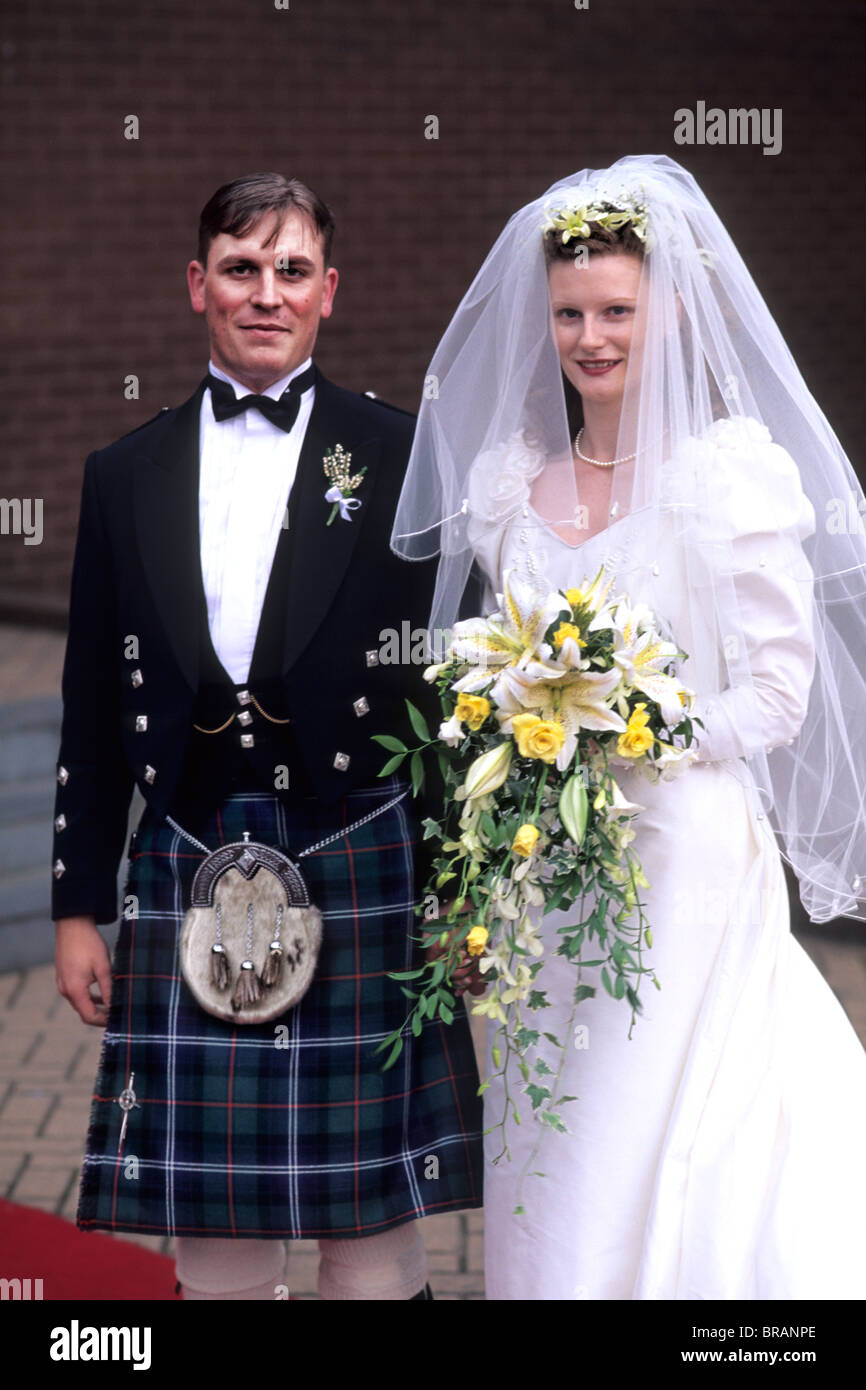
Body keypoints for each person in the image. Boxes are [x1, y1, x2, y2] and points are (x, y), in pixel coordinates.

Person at [391, 154, 866, 1299]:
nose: (589, 337)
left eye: (615, 310)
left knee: (662, 1112)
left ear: (669, 314)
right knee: (552, 1112)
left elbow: (774, 697)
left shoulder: (726, 482)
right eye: (567, 313)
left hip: (682, 861)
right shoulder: (512, 489)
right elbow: (492, 684)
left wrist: (624, 727)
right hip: (542, 868)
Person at [51, 172, 483, 1301]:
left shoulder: (400, 457)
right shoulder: (122, 473)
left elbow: (446, 703)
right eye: (240, 268)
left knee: (372, 1231)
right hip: (189, 851)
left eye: (290, 270)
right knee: (217, 1225)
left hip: (361, 854)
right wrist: (74, 904)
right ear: (198, 285)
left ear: (327, 291)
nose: (265, 293)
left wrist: (460, 896)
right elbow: (92, 704)